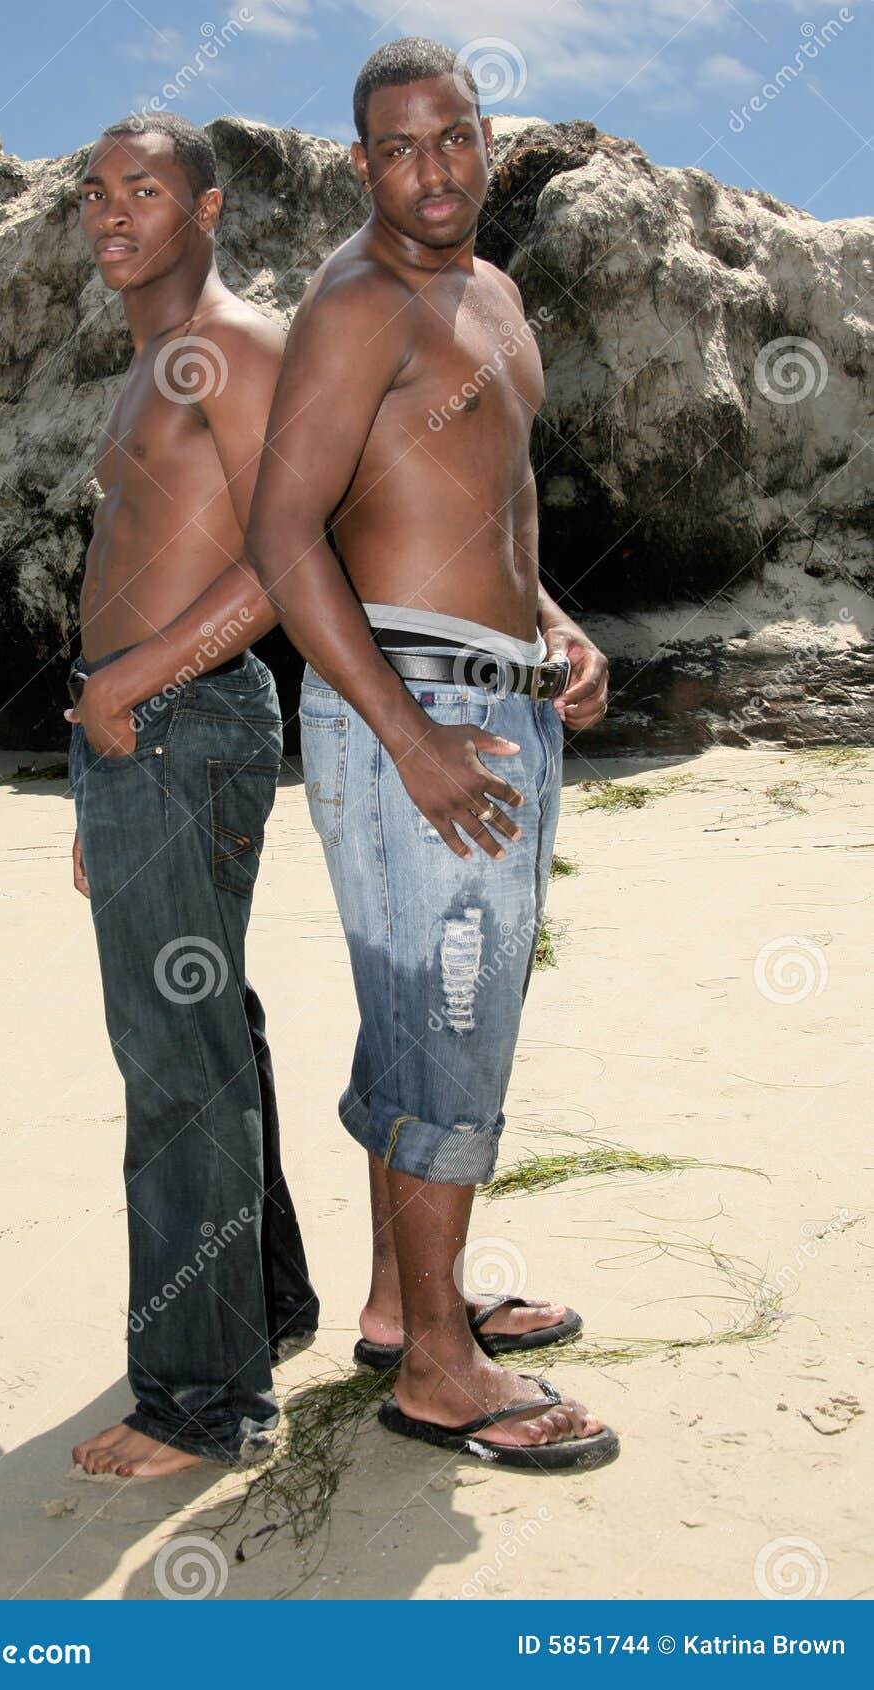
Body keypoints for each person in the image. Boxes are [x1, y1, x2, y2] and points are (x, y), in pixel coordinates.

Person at [241, 38, 619, 1472]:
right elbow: (285, 537)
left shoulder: (497, 296)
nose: (433, 170)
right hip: (410, 712)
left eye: (452, 137)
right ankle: (440, 1380)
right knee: (448, 1021)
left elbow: (485, 515)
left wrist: (558, 635)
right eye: (399, 150)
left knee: (432, 1009)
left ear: (482, 132)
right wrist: (410, 737)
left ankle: (411, 1304)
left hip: (496, 698)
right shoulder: (356, 302)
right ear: (361, 163)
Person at [64, 113, 318, 1480]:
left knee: (178, 1071)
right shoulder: (145, 365)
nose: (112, 211)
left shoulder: (244, 342)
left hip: (181, 722)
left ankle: (203, 1403)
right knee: (212, 1033)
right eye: (97, 192)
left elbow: (295, 555)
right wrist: (93, 771)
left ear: (207, 209)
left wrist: (133, 690)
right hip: (135, 741)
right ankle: (261, 1315)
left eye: (144, 190)